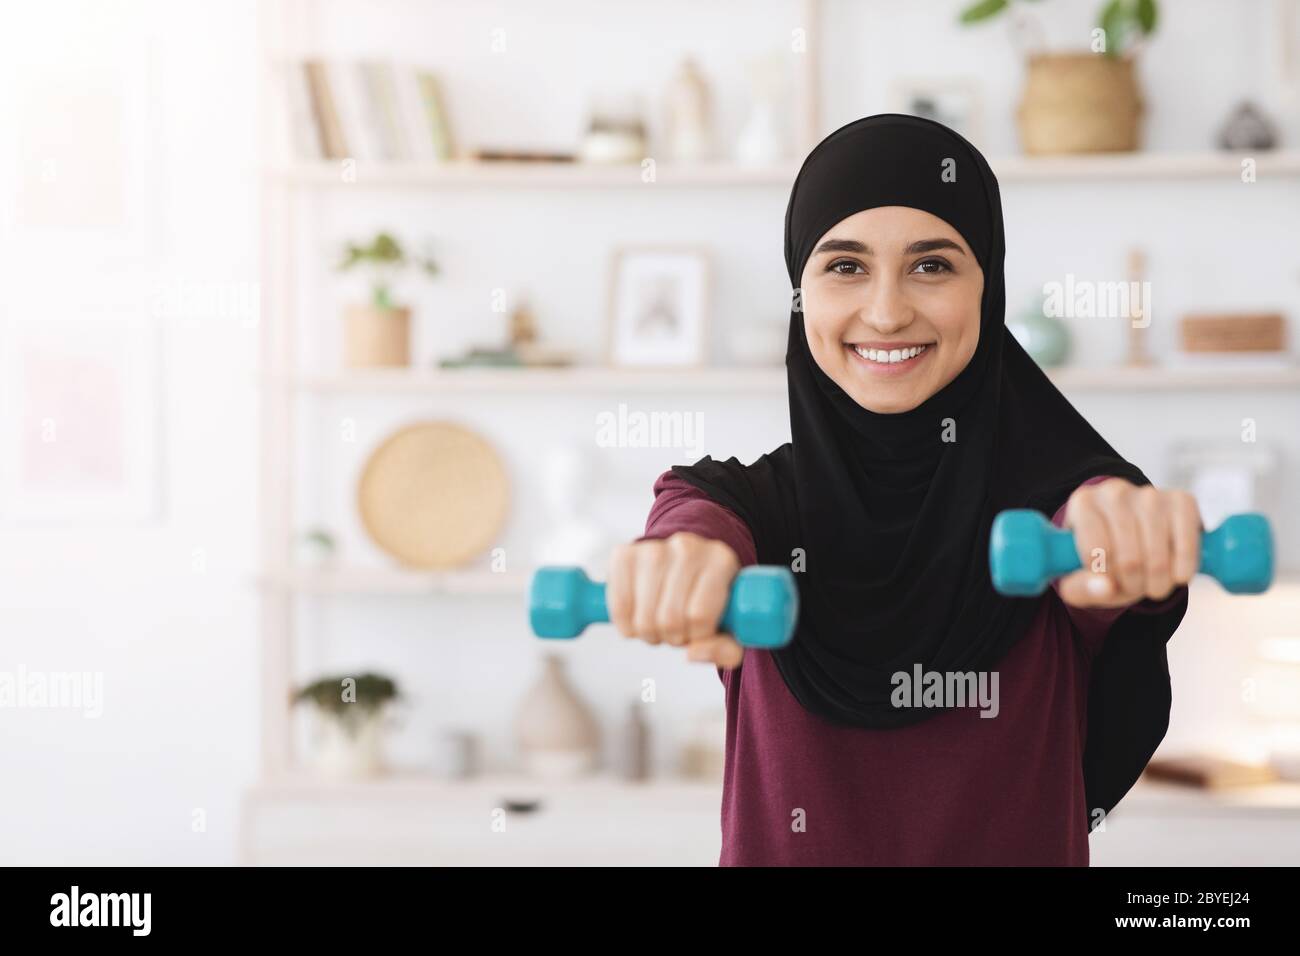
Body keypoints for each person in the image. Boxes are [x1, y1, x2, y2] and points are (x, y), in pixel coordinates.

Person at [605, 114, 1193, 866]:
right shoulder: (746, 508)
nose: (886, 311)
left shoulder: (1054, 524)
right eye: (845, 267)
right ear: (800, 292)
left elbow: (1101, 536)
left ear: (989, 287)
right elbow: (695, 524)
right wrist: (679, 558)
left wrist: (1124, 527)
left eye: (933, 266)